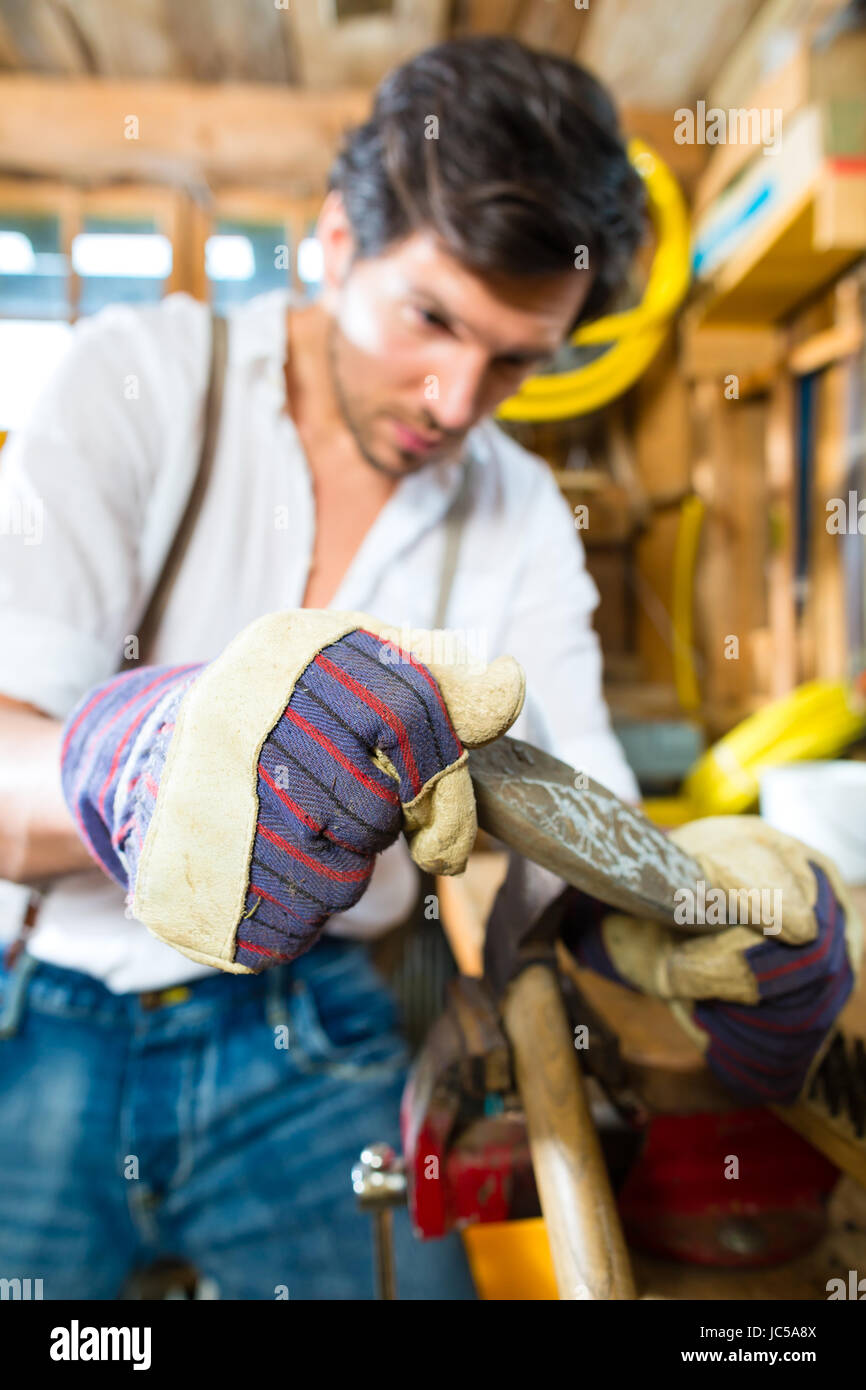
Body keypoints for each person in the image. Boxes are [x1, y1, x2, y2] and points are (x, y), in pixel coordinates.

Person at [0, 36, 645, 1300]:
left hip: (312, 1024)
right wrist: (143, 757)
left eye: (514, 360)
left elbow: (579, 812)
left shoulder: (514, 509)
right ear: (337, 245)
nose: (458, 397)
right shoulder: (137, 383)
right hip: (54, 1005)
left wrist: (687, 904)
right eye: (432, 321)